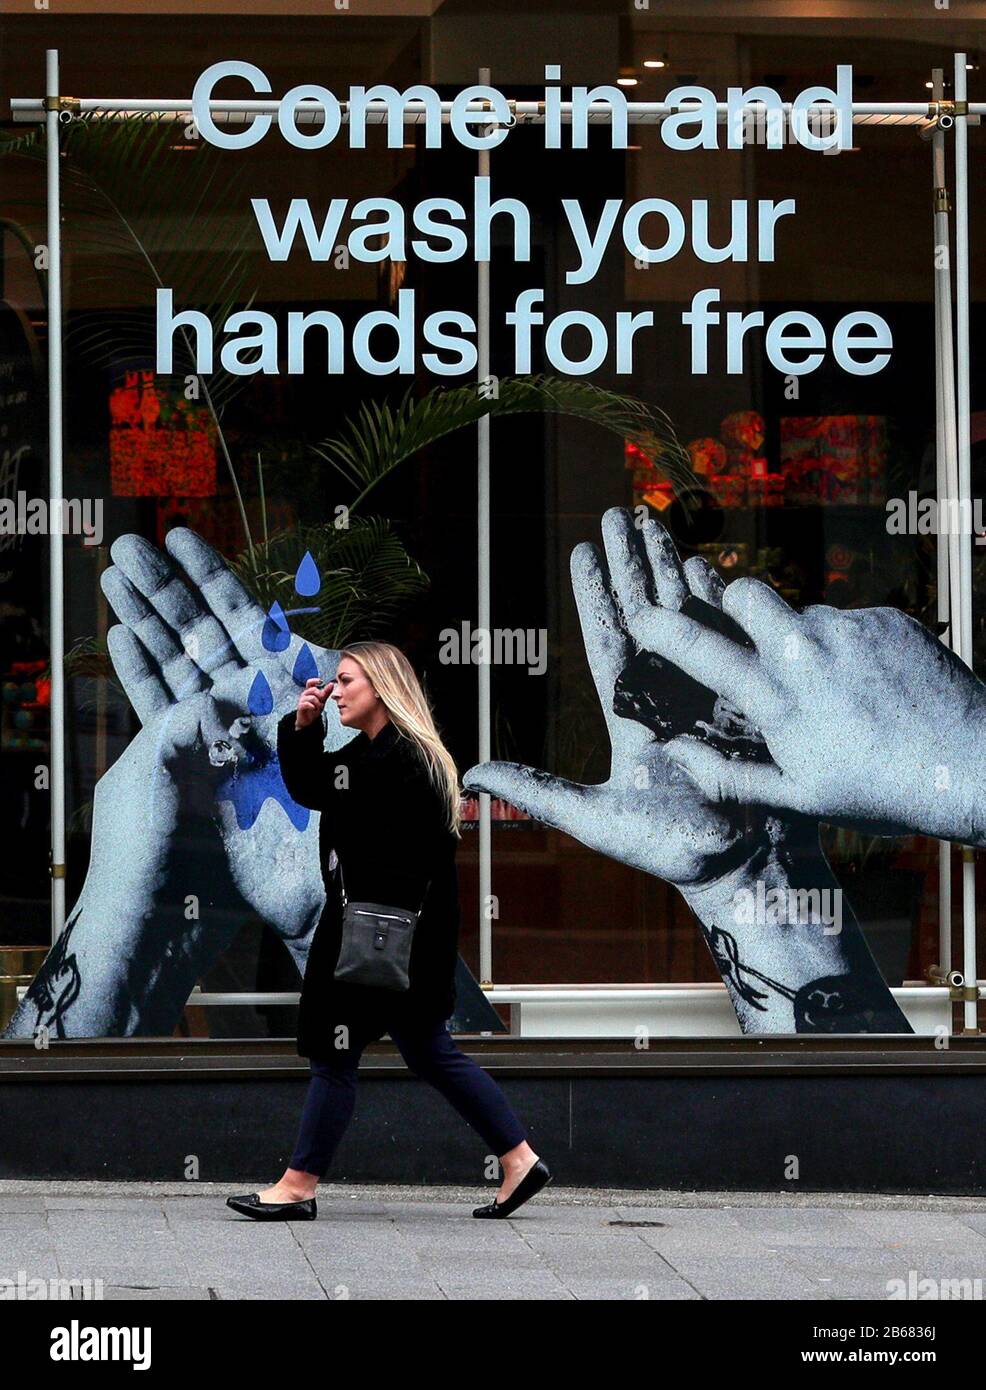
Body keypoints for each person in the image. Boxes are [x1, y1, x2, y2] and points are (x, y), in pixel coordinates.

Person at [226, 640, 551, 1221]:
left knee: (333, 1053)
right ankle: (519, 1157)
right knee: (428, 1051)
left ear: (381, 687)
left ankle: (298, 1186)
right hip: (399, 939)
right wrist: (305, 727)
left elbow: (327, 793)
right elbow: (319, 788)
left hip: (375, 938)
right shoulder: (387, 751)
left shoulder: (396, 759)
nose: (336, 691)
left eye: (348, 681)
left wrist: (305, 733)